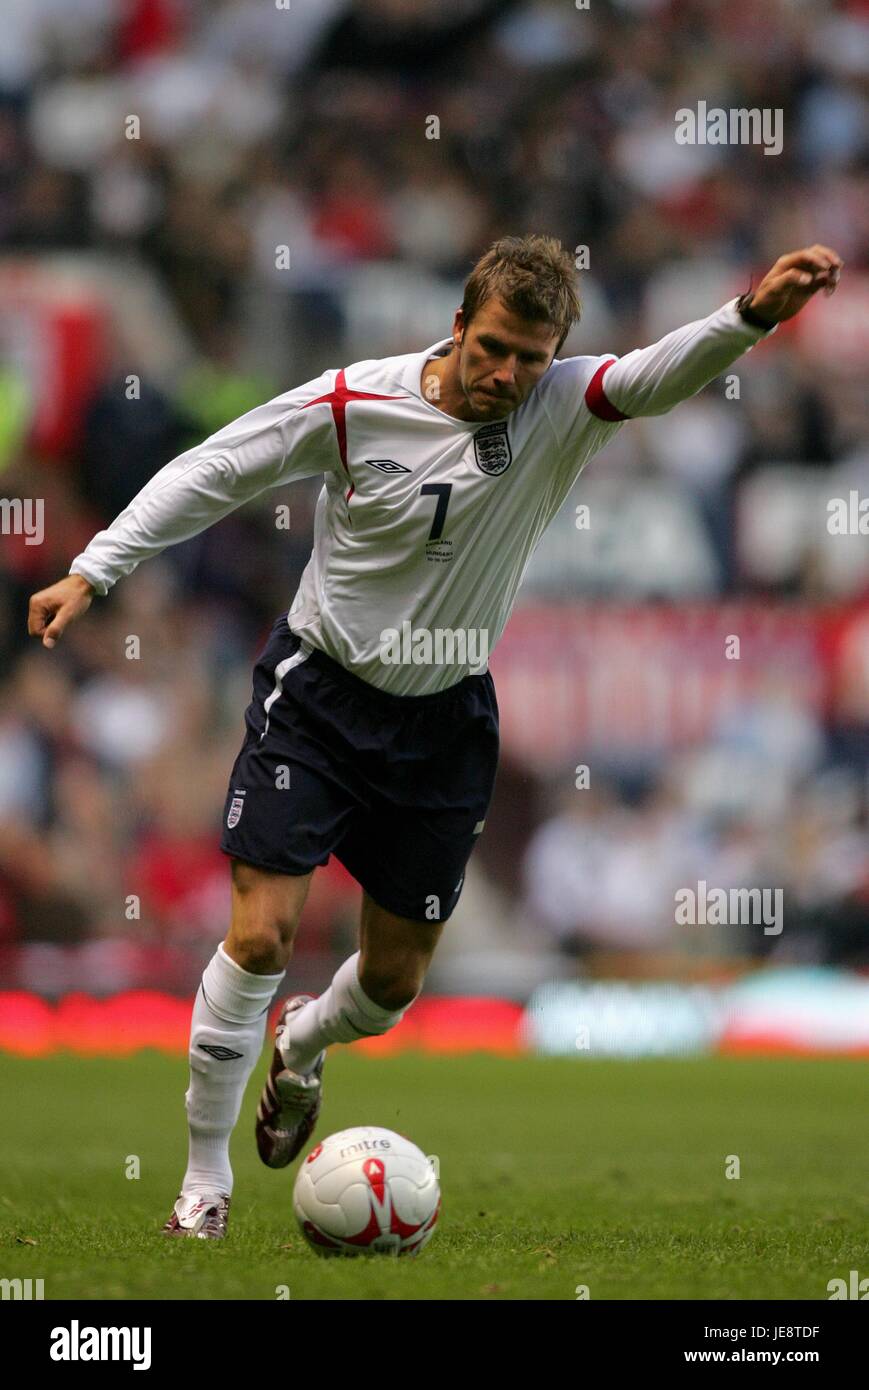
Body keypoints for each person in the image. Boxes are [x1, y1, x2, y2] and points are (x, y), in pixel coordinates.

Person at [27, 235, 842, 1239]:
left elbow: (656, 376)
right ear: (456, 325)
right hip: (316, 696)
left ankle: (306, 1045)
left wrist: (749, 315)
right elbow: (214, 469)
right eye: (493, 347)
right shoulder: (352, 403)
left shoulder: (560, 409)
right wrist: (95, 569)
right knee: (258, 934)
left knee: (390, 985)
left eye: (530, 358)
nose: (507, 374)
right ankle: (204, 1186)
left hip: (443, 719)